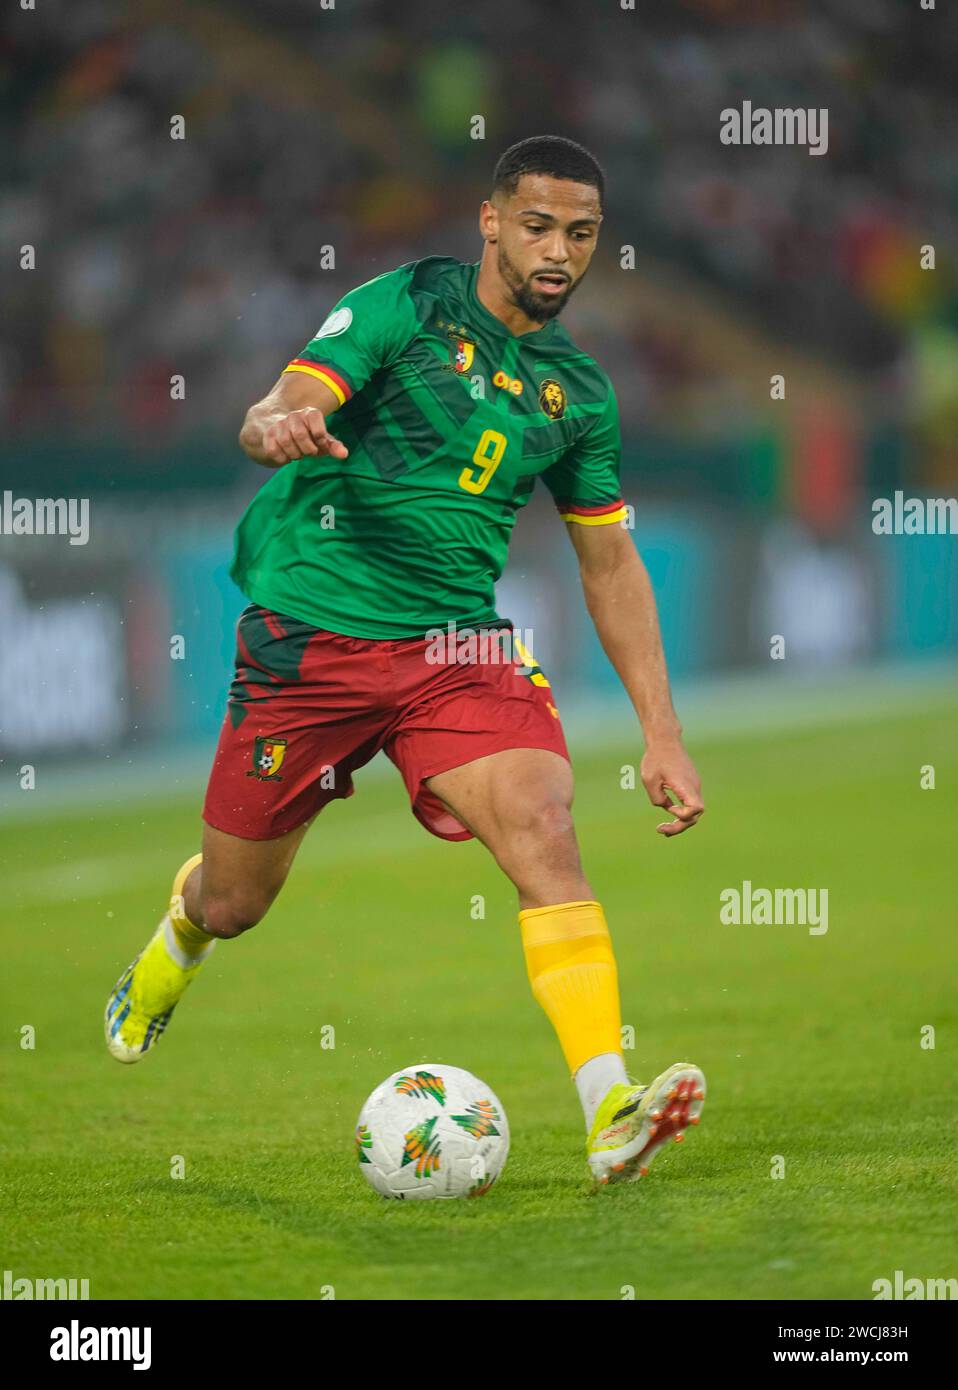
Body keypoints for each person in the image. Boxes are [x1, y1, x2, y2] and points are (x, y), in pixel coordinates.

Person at [105, 135, 706, 1185]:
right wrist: (277, 425)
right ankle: (181, 936)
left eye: (580, 234)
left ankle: (610, 1108)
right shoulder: (407, 304)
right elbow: (286, 401)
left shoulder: (578, 393)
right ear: (490, 221)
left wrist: (663, 731)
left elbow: (609, 563)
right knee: (236, 902)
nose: (558, 252)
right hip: (311, 642)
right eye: (537, 227)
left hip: (454, 651)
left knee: (545, 829)